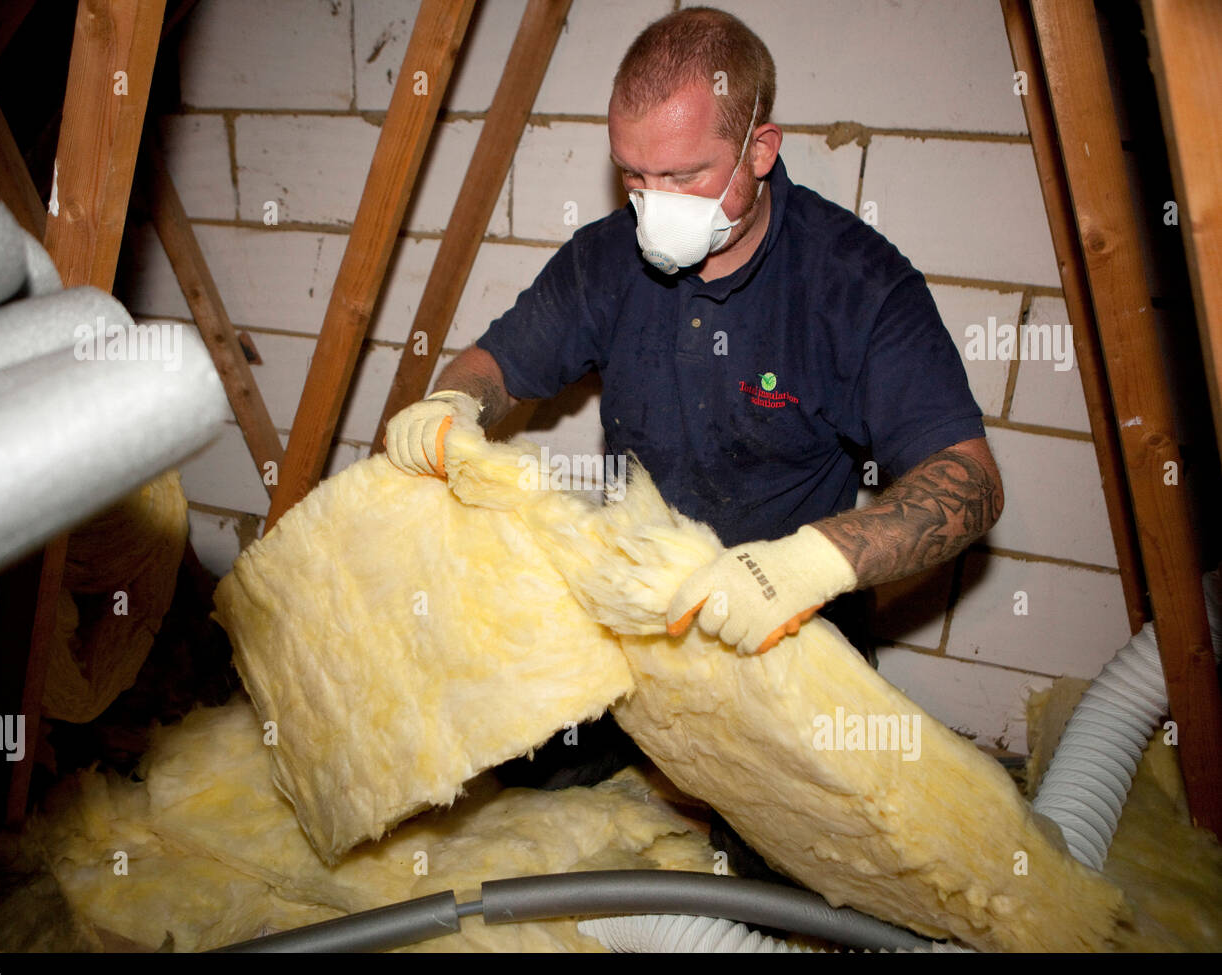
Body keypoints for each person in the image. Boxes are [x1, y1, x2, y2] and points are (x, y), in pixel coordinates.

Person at [386, 6, 1003, 664]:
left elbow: (971, 481)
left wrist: (803, 567)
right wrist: (453, 403)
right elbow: (497, 367)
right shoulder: (604, 259)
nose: (655, 204)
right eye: (633, 175)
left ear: (760, 149)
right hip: (639, 615)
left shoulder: (856, 286)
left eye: (685, 176)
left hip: (789, 635)